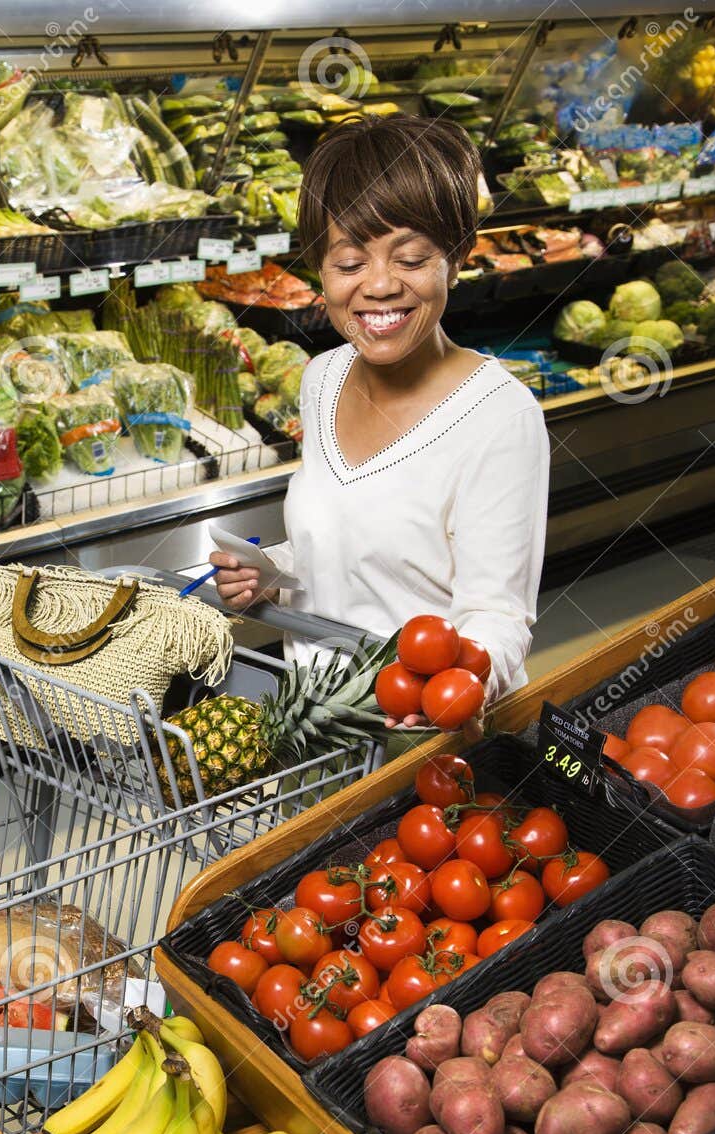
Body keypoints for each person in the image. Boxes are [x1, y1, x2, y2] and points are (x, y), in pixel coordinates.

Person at [211, 115, 550, 722]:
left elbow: (498, 618)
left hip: (425, 741)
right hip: (315, 726)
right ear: (320, 271)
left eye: (412, 258)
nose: (380, 286)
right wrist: (274, 573)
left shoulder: (500, 418)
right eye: (348, 264)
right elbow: (355, 546)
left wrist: (446, 701)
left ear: (457, 257)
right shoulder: (323, 379)